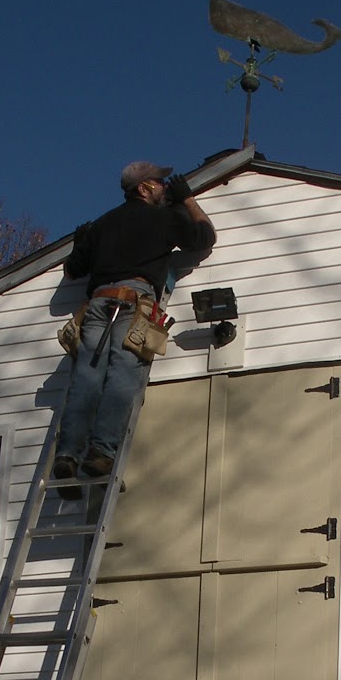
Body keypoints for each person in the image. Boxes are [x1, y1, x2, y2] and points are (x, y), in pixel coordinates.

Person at [53, 161, 216, 499]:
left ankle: (67, 454)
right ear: (143, 189)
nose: (164, 188)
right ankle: (101, 453)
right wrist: (187, 201)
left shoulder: (101, 226)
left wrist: (80, 244)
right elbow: (204, 237)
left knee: (87, 378)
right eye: (159, 183)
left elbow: (72, 272)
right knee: (123, 376)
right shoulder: (164, 217)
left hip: (97, 305)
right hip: (132, 303)